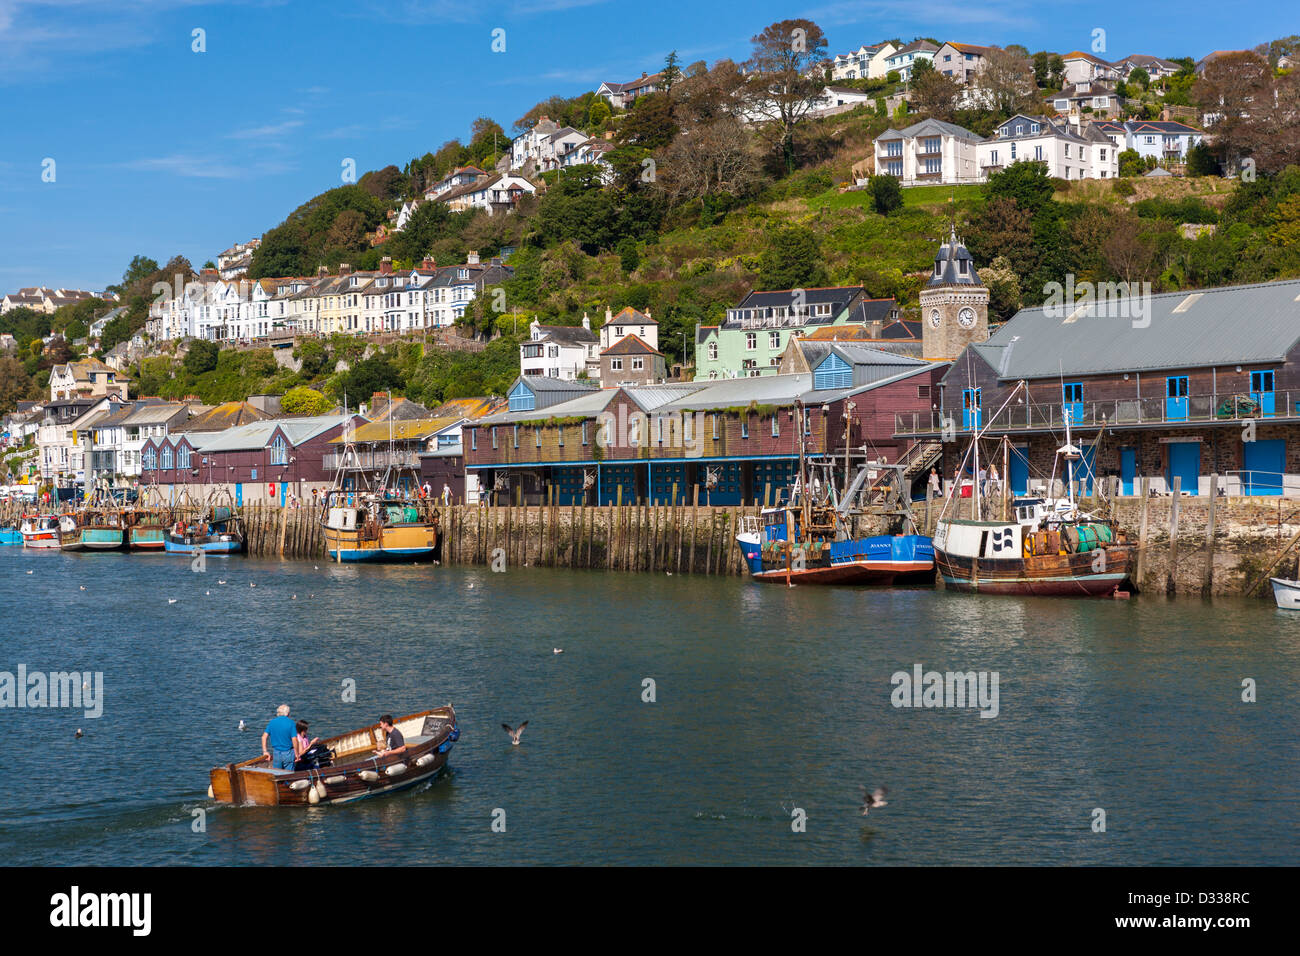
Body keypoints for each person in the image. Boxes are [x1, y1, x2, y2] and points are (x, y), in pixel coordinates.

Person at [262, 704, 297, 771]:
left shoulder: (272, 722)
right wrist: (297, 753)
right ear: (288, 713)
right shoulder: (291, 723)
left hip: (276, 753)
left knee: (277, 773)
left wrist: (265, 751)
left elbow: (264, 737)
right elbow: (294, 739)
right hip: (288, 752)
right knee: (289, 774)